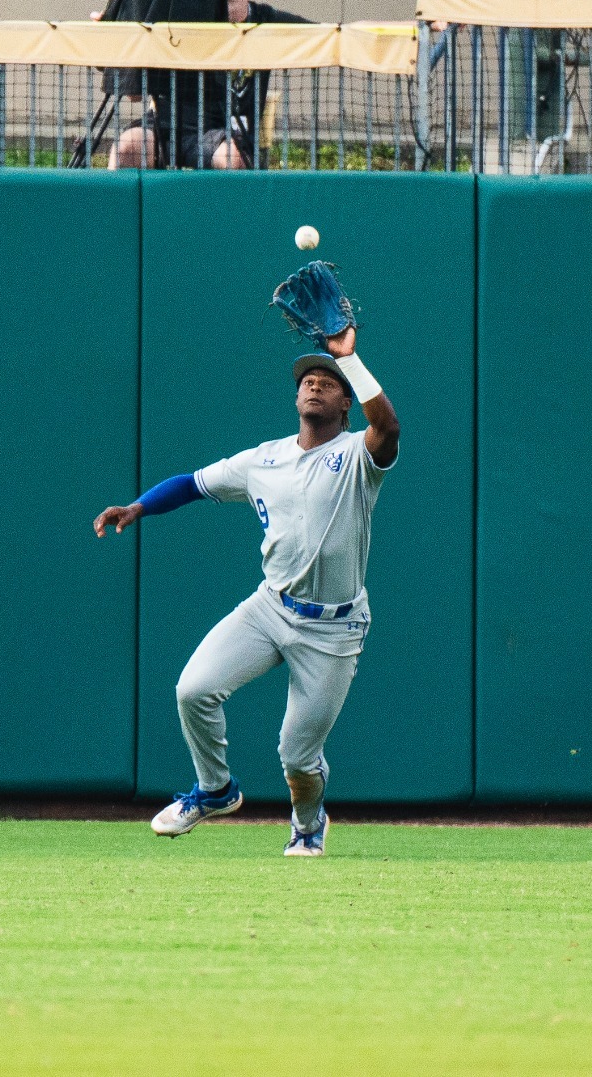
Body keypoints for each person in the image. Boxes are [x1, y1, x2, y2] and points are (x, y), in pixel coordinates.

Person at [92, 326, 399, 857]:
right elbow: (193, 483)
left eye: (328, 381)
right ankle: (215, 790)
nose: (315, 386)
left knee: (297, 759)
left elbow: (388, 427)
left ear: (345, 402)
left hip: (333, 627)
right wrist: (139, 507)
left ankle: (307, 825)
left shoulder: (356, 456)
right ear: (296, 396)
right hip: (270, 608)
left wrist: (349, 360)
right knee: (193, 690)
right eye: (308, 380)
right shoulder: (263, 460)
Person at [100, 0, 310, 170]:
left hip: (218, 132)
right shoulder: (177, 14)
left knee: (231, 157)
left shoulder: (266, 21)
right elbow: (128, 86)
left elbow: (322, 36)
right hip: (166, 126)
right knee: (128, 146)